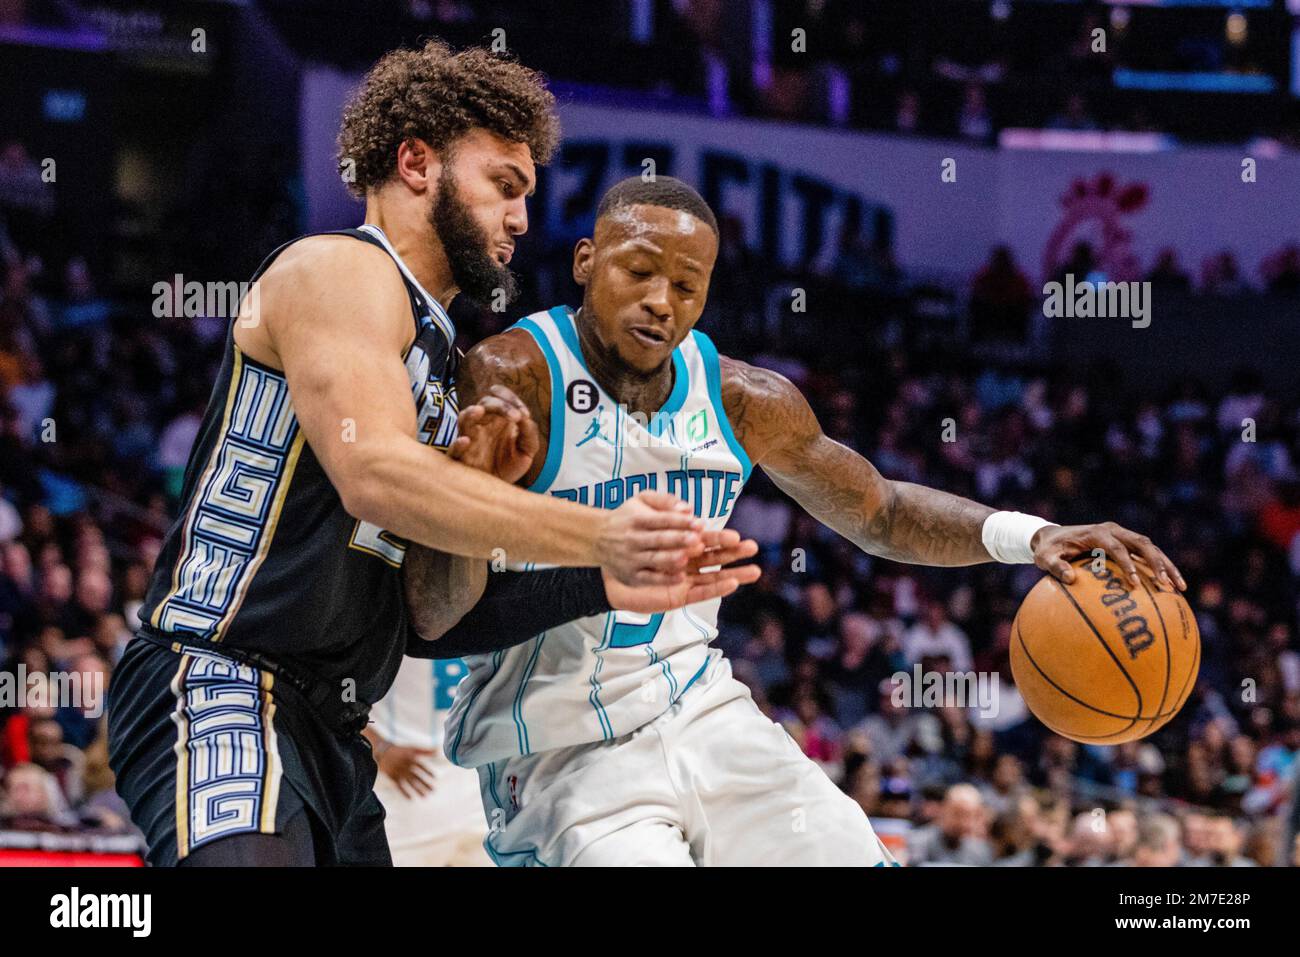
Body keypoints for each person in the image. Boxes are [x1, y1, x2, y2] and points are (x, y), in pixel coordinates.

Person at [106, 44, 753, 867]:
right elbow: (372, 471)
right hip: (222, 681)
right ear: (416, 161)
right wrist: (599, 533)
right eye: (504, 186)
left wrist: (604, 582)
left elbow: (430, 620)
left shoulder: (447, 363)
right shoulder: (340, 268)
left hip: (331, 729)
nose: (521, 218)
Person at [419, 175, 1186, 866]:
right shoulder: (516, 376)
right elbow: (434, 619)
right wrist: (468, 488)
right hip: (560, 749)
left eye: (687, 285)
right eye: (640, 270)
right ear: (586, 261)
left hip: (701, 710)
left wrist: (1033, 535)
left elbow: (879, 510)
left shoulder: (744, 399)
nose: (662, 299)